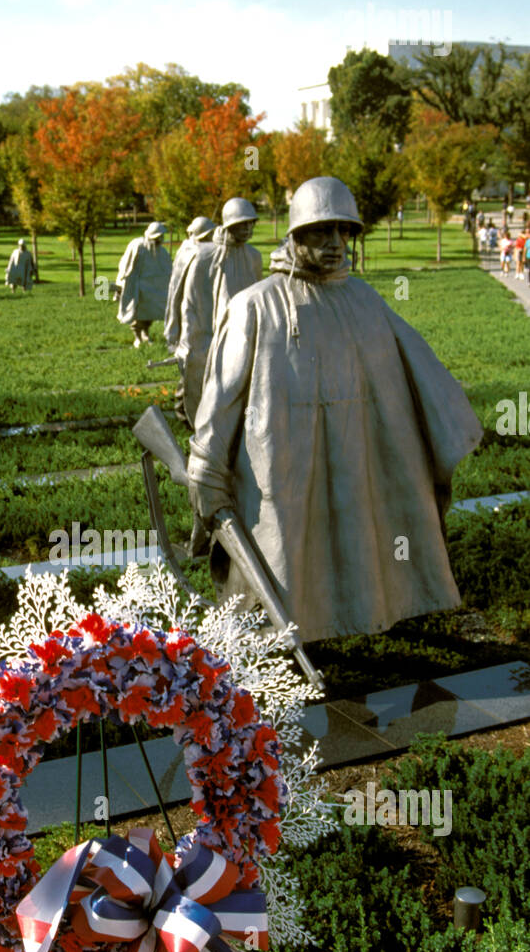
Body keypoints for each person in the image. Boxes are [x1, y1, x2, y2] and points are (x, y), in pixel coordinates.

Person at [187, 176, 482, 643]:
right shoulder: (256, 307)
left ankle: (360, 622)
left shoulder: (364, 300)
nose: (335, 243)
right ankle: (272, 648)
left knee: (359, 543)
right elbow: (220, 402)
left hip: (354, 462)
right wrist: (206, 469)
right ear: (295, 235)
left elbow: (416, 380)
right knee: (280, 567)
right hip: (279, 472)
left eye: (344, 232)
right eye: (321, 232)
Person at [164, 216, 215, 424]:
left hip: (209, 317)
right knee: (190, 368)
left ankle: (199, 412)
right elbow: (175, 293)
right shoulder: (188, 254)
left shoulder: (211, 254)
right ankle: (184, 412)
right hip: (191, 318)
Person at [208, 198, 262, 330]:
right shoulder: (212, 255)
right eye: (243, 223)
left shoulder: (254, 255)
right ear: (229, 224)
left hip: (247, 319)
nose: (248, 228)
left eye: (251, 223)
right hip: (218, 321)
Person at [115, 222, 172, 347]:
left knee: (150, 311)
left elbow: (167, 269)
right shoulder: (138, 245)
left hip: (152, 288)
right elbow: (126, 264)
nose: (160, 240)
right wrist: (121, 281)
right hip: (137, 286)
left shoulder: (160, 251)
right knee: (137, 312)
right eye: (158, 237)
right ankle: (137, 337)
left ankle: (146, 334)